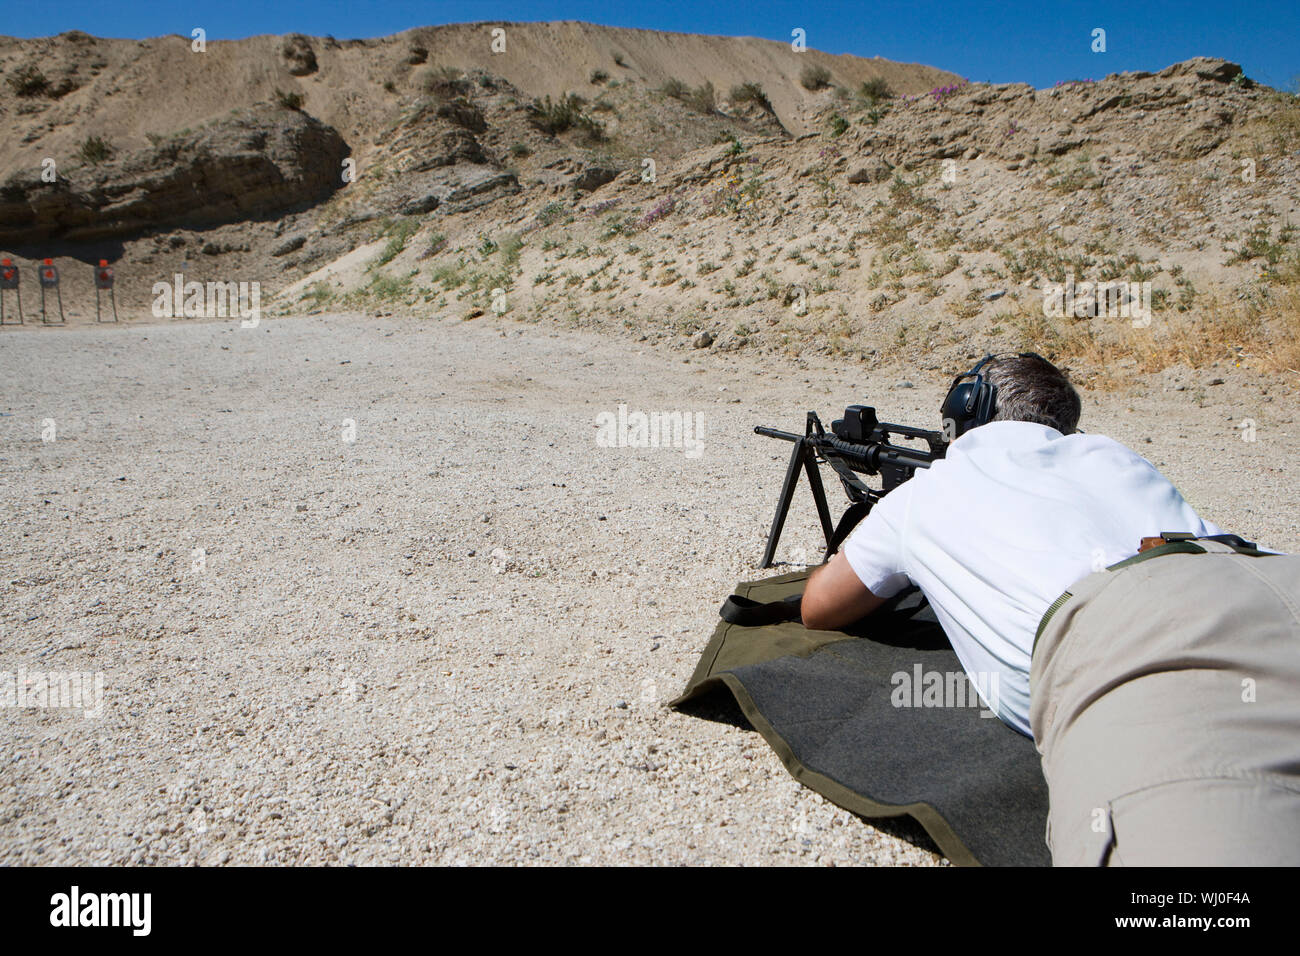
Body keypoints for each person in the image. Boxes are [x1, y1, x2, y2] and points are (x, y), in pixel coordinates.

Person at [800, 352, 1300, 864]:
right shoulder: (1113, 455)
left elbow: (818, 607)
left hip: (1136, 646)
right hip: (1271, 577)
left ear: (964, 411)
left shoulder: (926, 492)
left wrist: (892, 531)